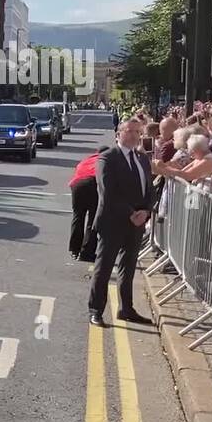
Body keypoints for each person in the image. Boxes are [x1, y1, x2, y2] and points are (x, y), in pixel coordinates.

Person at [88, 119, 154, 327]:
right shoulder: (107, 158)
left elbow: (149, 189)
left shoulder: (142, 158)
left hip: (137, 222)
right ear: (119, 133)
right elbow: (108, 192)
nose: (134, 135)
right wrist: (131, 212)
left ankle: (126, 308)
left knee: (129, 267)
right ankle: (96, 310)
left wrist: (146, 211)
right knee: (104, 268)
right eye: (130, 131)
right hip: (113, 221)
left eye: (137, 131)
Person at [69, 147, 107, 262]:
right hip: (93, 183)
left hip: (77, 185)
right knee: (93, 220)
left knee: (78, 217)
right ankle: (87, 252)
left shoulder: (86, 160)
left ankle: (74, 250)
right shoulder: (105, 160)